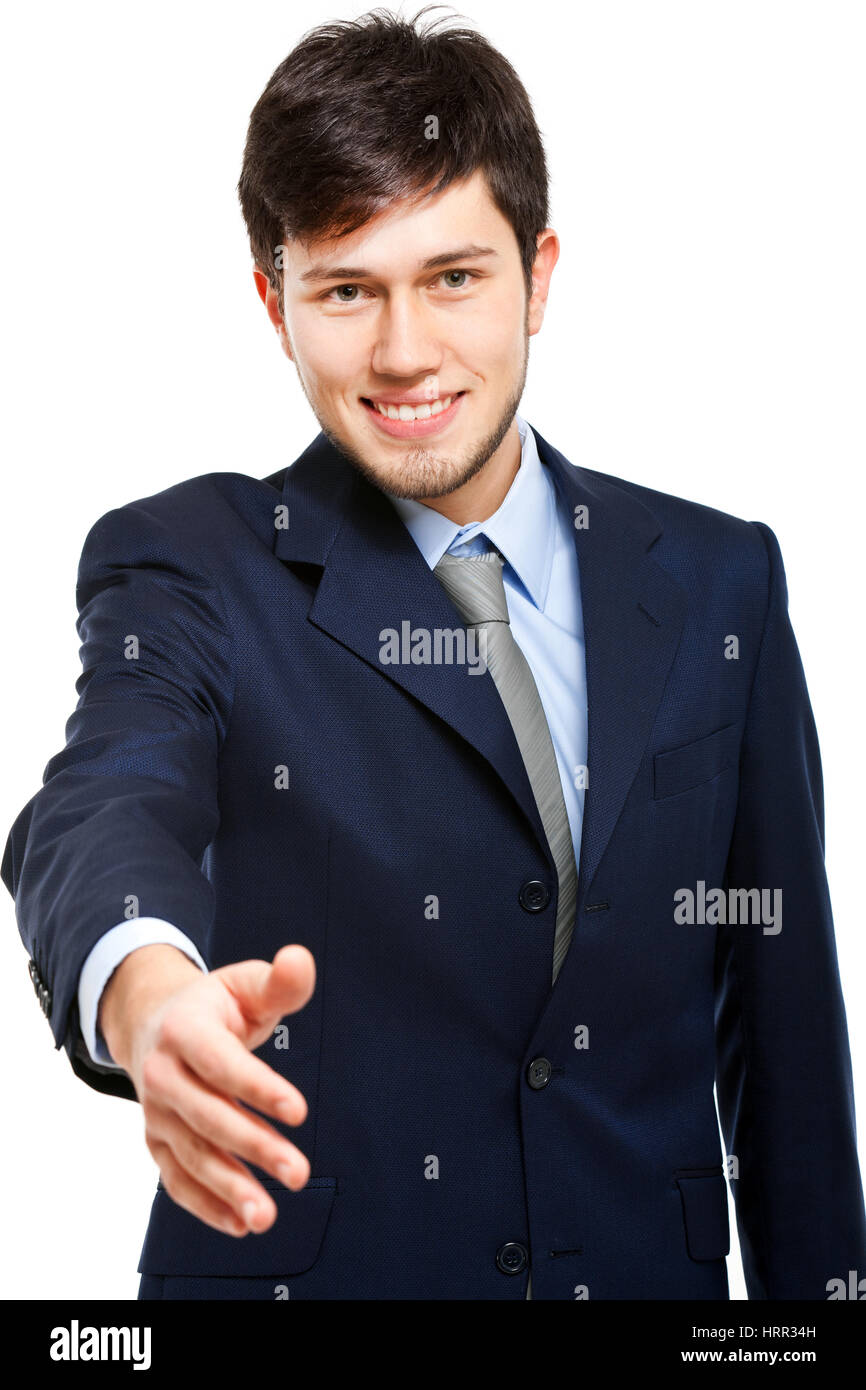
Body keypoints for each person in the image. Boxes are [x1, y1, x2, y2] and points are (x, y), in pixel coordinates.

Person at [4, 7, 865, 1301]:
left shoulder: (716, 575)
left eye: (453, 277)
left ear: (541, 271)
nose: (404, 354)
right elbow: (103, 799)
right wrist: (144, 988)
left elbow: (783, 1023)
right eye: (347, 289)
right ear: (273, 301)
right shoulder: (192, 561)